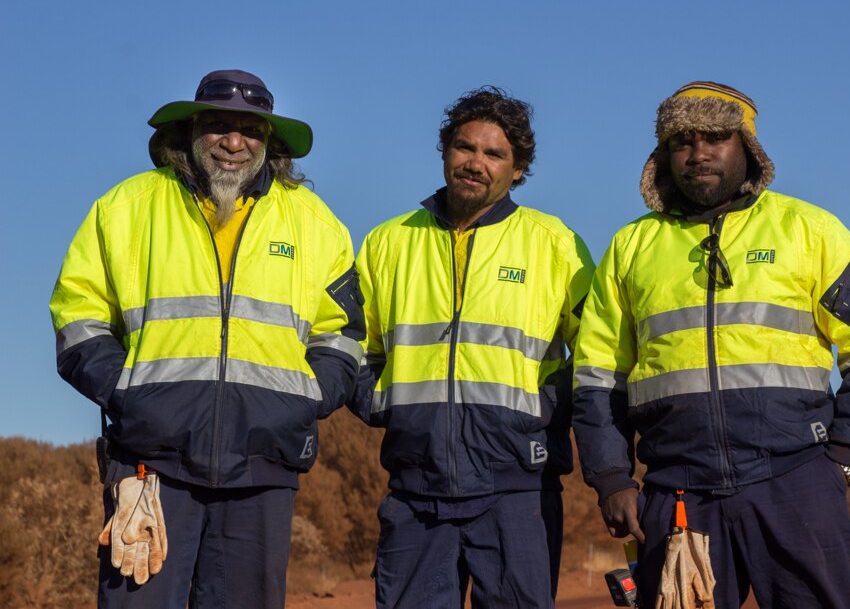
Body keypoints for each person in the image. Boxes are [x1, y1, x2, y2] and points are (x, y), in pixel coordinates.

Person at [573, 81, 850, 608]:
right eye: (682, 141)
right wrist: (612, 477)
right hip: (678, 493)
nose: (698, 153)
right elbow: (596, 379)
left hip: (796, 482)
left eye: (715, 138)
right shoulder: (630, 246)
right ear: (663, 154)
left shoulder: (809, 229)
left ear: (746, 148)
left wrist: (843, 455)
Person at [50, 70, 364, 608]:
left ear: (271, 142)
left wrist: (306, 399)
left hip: (264, 465)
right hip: (151, 462)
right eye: (219, 124)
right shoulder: (125, 208)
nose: (233, 142)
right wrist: (129, 392)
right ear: (192, 129)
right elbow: (77, 315)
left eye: (250, 129)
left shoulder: (317, 225)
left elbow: (344, 335)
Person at [354, 87, 594, 608]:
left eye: (494, 154)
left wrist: (549, 416)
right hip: (415, 488)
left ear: (519, 169)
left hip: (518, 490)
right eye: (465, 148)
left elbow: (597, 356)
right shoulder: (386, 242)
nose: (475, 163)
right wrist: (383, 405)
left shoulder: (556, 244)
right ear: (444, 152)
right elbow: (356, 347)